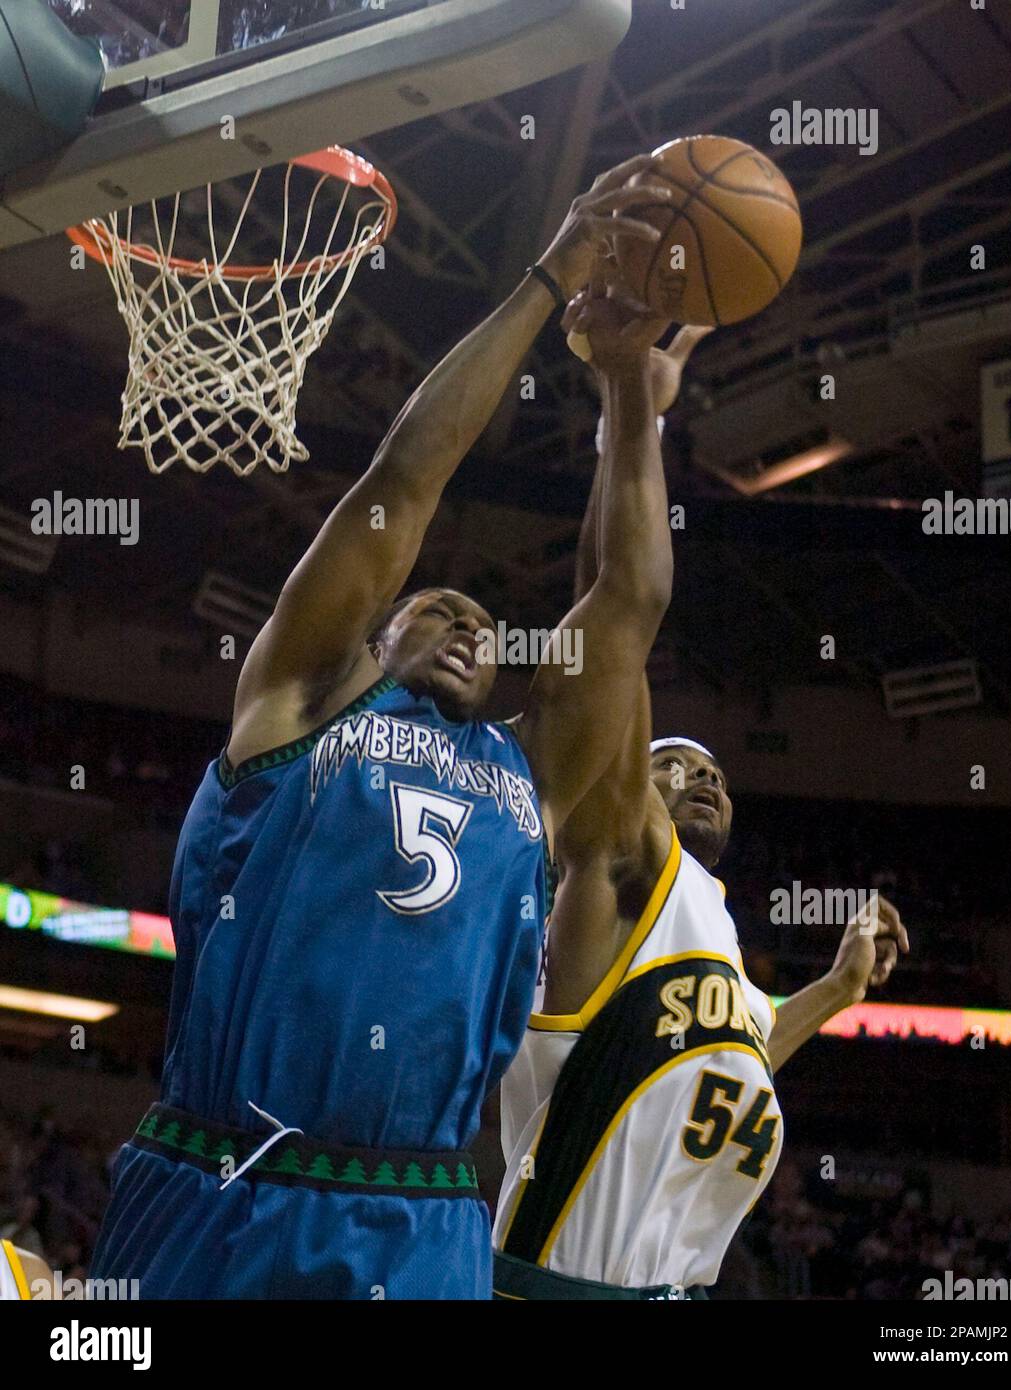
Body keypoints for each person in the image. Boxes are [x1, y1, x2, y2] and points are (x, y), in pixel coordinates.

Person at [90, 157, 679, 1300]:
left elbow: (629, 603)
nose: (464, 619)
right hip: (223, 1184)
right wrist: (548, 281)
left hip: (421, 1221)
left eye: (481, 615)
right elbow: (404, 480)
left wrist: (623, 390)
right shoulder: (301, 703)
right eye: (431, 606)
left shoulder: (526, 775)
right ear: (373, 627)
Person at [492, 339, 910, 1300]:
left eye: (713, 769)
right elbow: (616, 616)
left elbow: (745, 1041)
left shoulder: (708, 938)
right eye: (670, 764)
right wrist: (631, 406)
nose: (702, 776)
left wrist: (841, 989)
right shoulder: (618, 862)